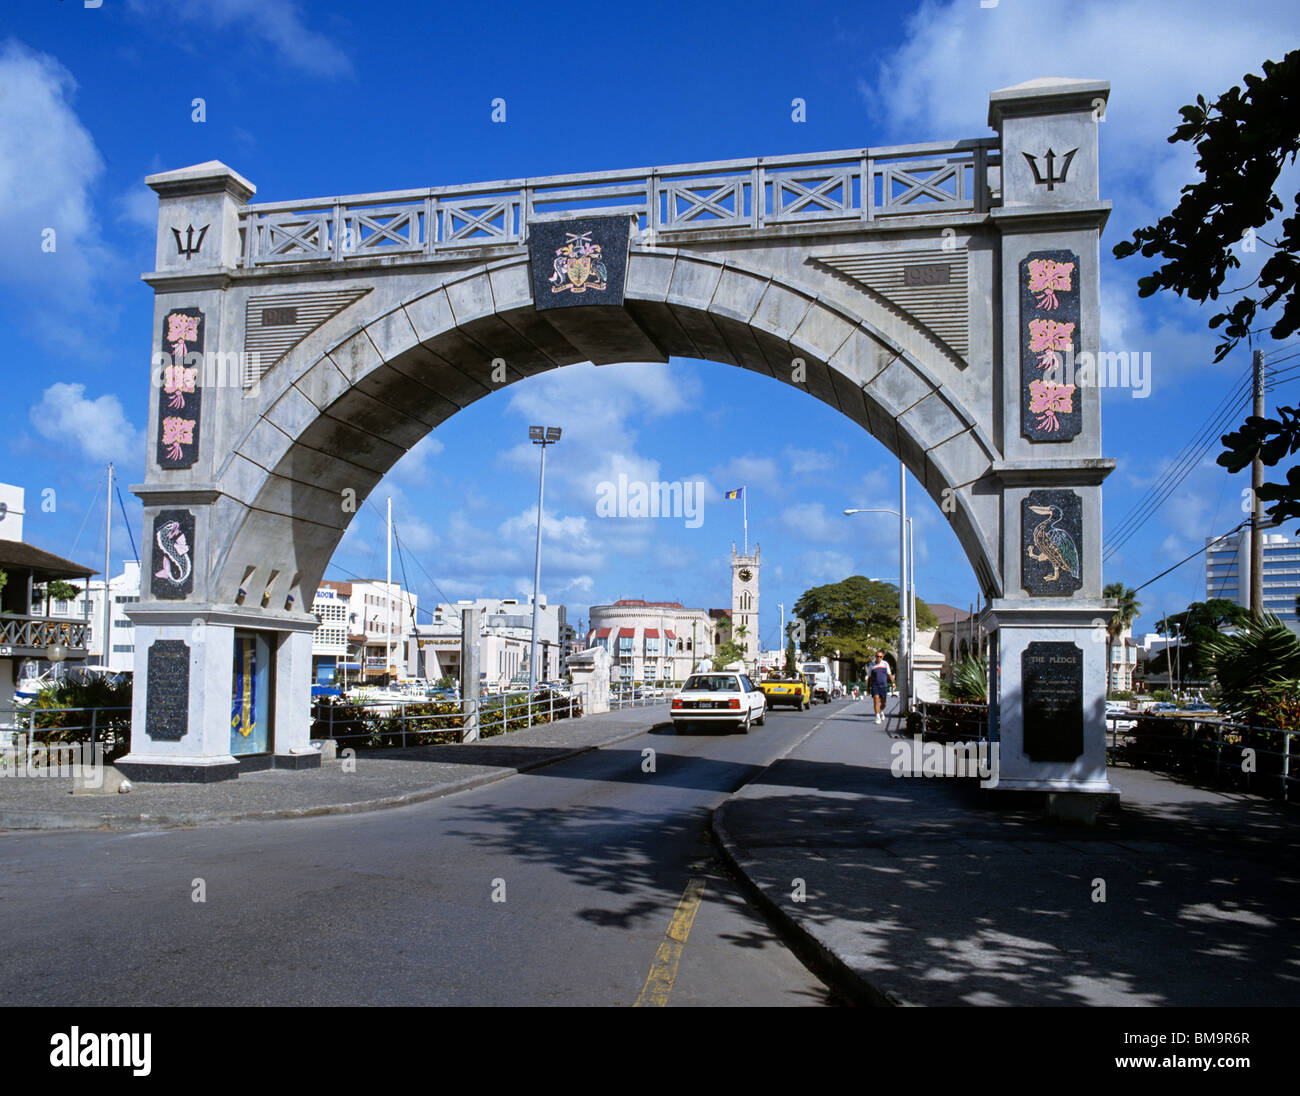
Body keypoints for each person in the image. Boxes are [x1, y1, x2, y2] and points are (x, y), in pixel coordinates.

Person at [867, 651, 893, 725]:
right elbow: (869, 677)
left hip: (883, 686)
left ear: (882, 657)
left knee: (884, 703)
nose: (879, 658)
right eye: (877, 656)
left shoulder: (885, 664)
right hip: (875, 685)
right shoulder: (871, 665)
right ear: (875, 656)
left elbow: (889, 674)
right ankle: (877, 717)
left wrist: (893, 683)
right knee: (876, 701)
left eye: (880, 656)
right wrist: (868, 687)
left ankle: (881, 711)